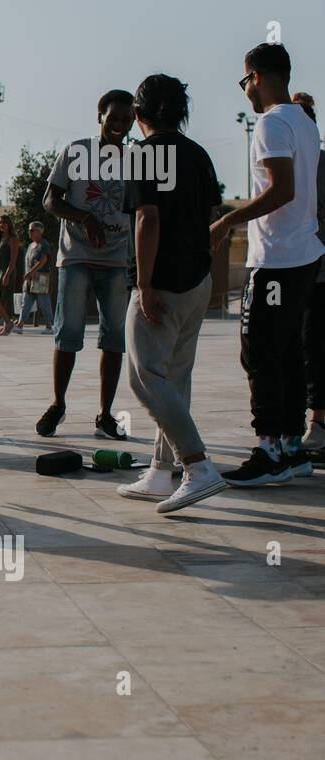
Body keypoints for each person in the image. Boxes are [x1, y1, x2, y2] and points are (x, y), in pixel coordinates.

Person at [212, 44, 324, 486]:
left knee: (257, 351)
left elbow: (281, 190)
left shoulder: (272, 122)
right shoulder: (305, 123)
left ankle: (268, 451)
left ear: (256, 75)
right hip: (304, 255)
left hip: (275, 258)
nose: (245, 93)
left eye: (244, 83)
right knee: (287, 352)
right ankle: (292, 449)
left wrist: (225, 221)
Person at [121, 74, 227, 513]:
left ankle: (197, 466)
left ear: (138, 113)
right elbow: (213, 214)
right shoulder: (198, 154)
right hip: (196, 281)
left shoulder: (143, 155)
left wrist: (144, 284)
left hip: (160, 283)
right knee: (175, 376)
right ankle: (162, 473)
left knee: (144, 376)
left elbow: (148, 218)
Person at [36, 90, 136, 439]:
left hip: (116, 261)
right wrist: (84, 218)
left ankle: (105, 415)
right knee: (68, 335)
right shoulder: (77, 152)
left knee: (114, 340)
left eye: (127, 120)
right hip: (76, 257)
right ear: (100, 117)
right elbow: (50, 200)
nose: (120, 126)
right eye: (114, 120)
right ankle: (58, 404)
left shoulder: (138, 159)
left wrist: (136, 261)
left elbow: (141, 214)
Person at [293, 92, 325, 456]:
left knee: (314, 348)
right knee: (294, 349)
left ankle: (317, 423)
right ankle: (294, 424)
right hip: (290, 272)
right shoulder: (284, 164)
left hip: (317, 273)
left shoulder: (319, 166)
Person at [15, 222, 54, 332]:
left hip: (40, 278)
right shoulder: (30, 245)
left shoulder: (43, 244)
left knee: (44, 302)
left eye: (32, 230)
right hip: (30, 279)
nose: (29, 232)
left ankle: (49, 326)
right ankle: (20, 325)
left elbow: (43, 260)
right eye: (29, 230)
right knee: (26, 302)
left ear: (39, 231)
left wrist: (31, 272)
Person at [0, 212, 22, 334]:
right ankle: (6, 323)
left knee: (7, 298)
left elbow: (13, 260)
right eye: (0, 222)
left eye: (4, 222)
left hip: (8, 271)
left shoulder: (12, 239)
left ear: (9, 224)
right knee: (1, 298)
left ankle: (9, 324)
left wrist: (7, 275)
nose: (2, 224)